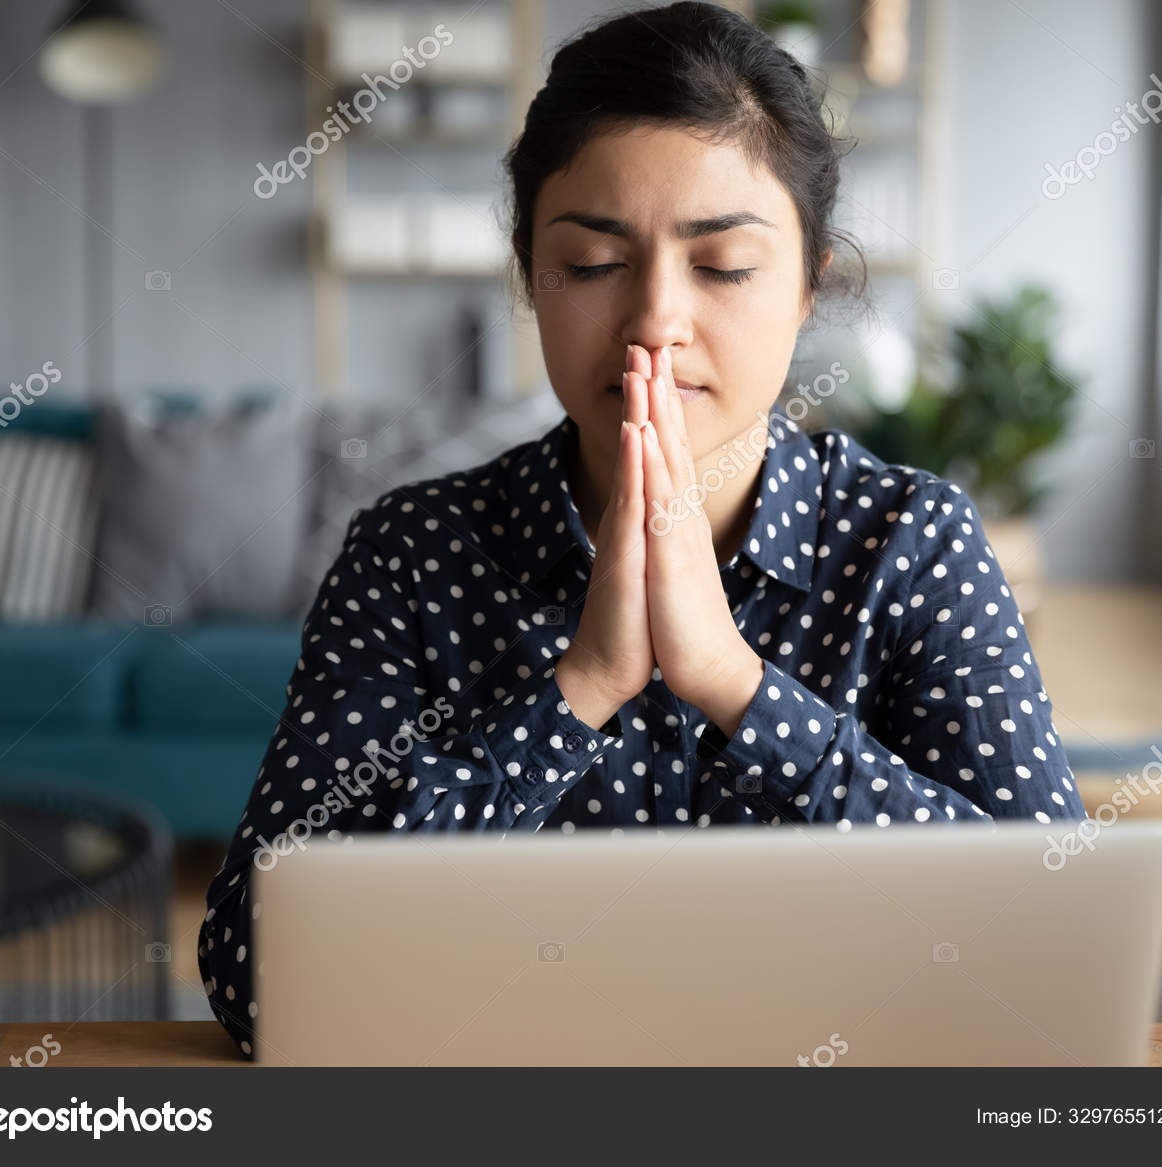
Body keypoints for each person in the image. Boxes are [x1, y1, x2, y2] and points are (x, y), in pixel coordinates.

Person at [199, 0, 1086, 1058]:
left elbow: (1047, 944)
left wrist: (735, 684)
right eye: (590, 264)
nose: (656, 320)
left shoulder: (914, 542)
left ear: (808, 286)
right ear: (532, 277)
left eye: (721, 267)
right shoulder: (413, 554)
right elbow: (259, 976)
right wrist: (578, 690)